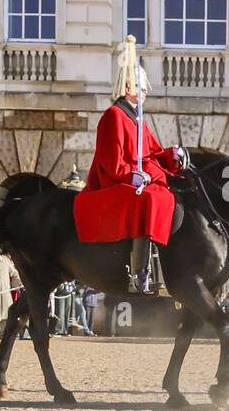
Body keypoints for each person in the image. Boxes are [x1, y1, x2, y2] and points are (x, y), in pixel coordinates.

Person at [73, 36, 186, 293]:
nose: (145, 93)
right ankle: (138, 272)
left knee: (166, 195)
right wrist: (131, 176)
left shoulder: (138, 121)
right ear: (128, 88)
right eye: (141, 88)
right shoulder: (115, 116)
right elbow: (112, 162)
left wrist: (173, 156)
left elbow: (154, 153)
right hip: (114, 182)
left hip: (139, 178)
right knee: (149, 200)